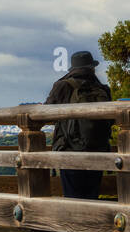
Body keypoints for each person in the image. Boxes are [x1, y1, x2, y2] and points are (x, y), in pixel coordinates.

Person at [45, 51, 114, 199]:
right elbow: (112, 119)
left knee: (73, 198)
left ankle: (75, 223)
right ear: (92, 68)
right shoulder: (102, 88)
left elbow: (45, 112)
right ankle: (91, 222)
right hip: (98, 151)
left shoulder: (62, 86)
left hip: (70, 150)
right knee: (92, 197)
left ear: (73, 69)